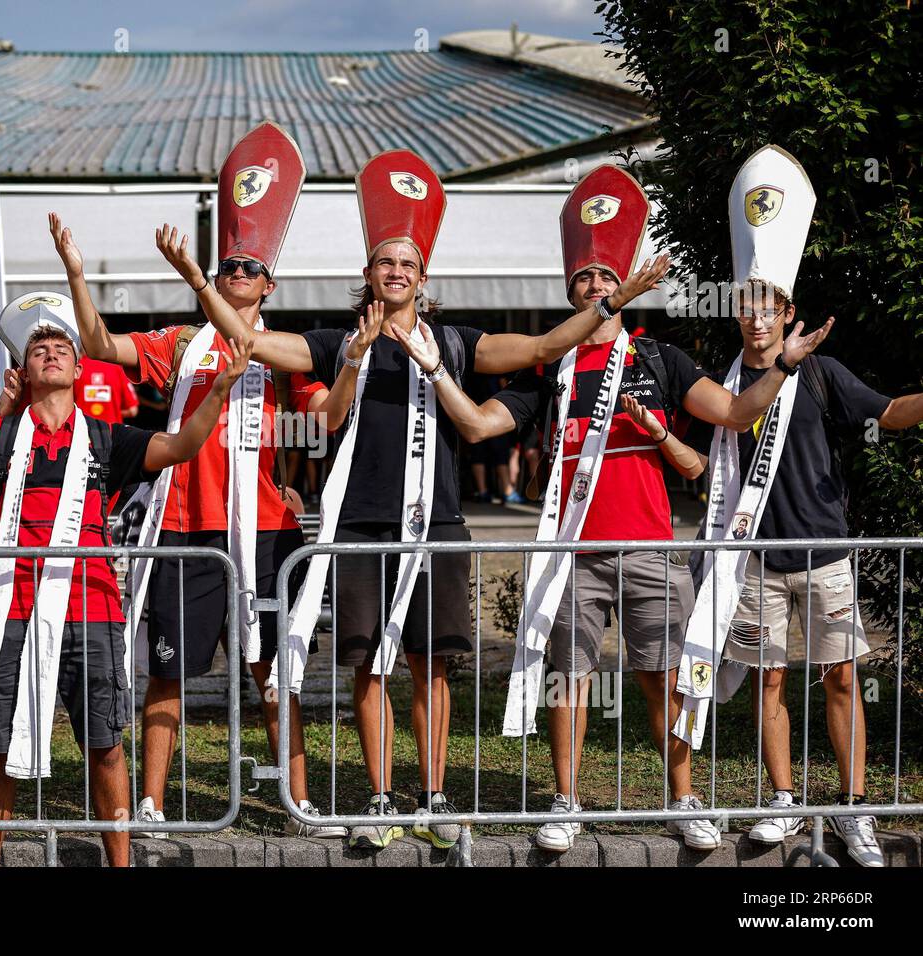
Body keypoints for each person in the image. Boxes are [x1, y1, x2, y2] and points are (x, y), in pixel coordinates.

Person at [187, 149, 656, 851]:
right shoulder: (335, 341)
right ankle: (379, 797)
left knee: (430, 665)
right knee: (368, 665)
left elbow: (542, 345)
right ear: (370, 275)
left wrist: (610, 302)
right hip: (359, 526)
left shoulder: (459, 344)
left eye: (407, 263)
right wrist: (198, 278)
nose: (396, 271)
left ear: (423, 277)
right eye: (385, 262)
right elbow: (248, 339)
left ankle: (433, 793)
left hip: (436, 524)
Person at [386, 163, 832, 853]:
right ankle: (565, 803)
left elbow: (738, 416)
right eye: (585, 281)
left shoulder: (661, 359)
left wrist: (785, 365)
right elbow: (476, 426)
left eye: (605, 279)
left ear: (622, 288)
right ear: (573, 292)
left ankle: (683, 799)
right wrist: (435, 367)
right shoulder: (548, 374)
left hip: (652, 550)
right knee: (569, 682)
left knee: (667, 685)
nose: (597, 288)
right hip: (574, 556)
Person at [0, 292, 245, 867]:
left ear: (79, 364)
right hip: (12, 615)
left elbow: (182, 445)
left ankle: (118, 863)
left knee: (106, 748)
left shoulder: (107, 438)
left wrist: (217, 391)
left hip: (92, 613)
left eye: (62, 345)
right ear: (22, 369)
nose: (51, 352)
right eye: (38, 347)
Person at [60, 123, 343, 838]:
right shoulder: (184, 343)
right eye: (228, 267)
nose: (236, 274)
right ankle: (152, 804)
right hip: (183, 525)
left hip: (269, 529)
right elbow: (97, 344)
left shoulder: (290, 351)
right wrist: (76, 273)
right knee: (168, 673)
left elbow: (324, 415)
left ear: (270, 283)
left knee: (276, 676)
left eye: (249, 268)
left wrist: (355, 364)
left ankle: (297, 801)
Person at [675, 145, 923, 867]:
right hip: (755, 558)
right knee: (770, 681)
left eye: (769, 307)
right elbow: (701, 456)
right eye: (747, 306)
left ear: (787, 311)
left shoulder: (820, 374)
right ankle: (784, 801)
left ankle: (852, 810)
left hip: (826, 555)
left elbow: (888, 412)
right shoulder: (721, 389)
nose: (757, 319)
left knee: (842, 677)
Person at [74, 356, 139, 425]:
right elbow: (133, 410)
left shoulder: (76, 368)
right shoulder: (117, 368)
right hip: (111, 430)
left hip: (82, 428)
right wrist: (112, 413)